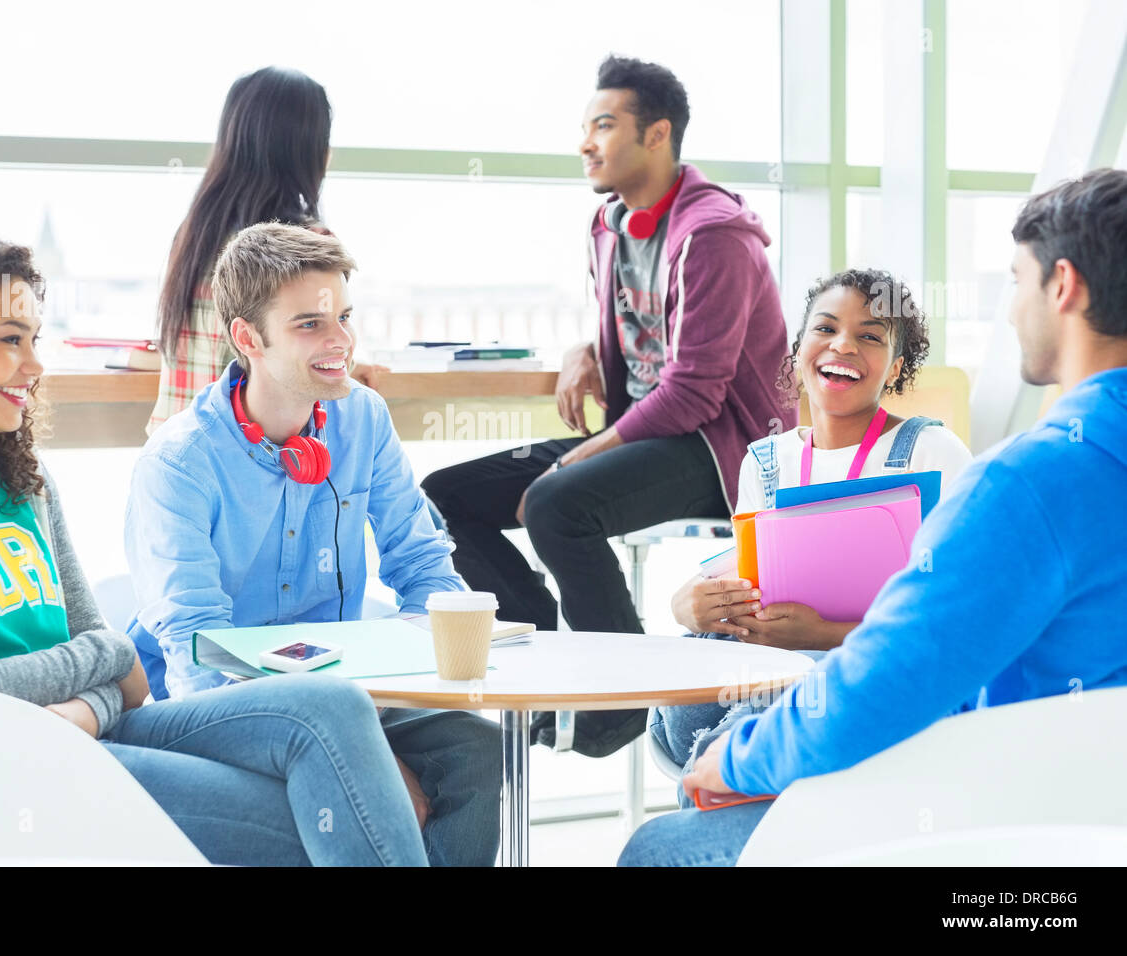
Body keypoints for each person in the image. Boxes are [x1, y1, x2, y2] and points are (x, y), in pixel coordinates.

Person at [0, 232, 431, 867]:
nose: (35, 366)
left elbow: (130, 679)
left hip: (86, 733)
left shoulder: (21, 476)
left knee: (333, 707)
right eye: (11, 340)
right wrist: (101, 659)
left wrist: (85, 705)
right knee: (330, 795)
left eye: (34, 340)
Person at [619, 168, 1127, 866]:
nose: (1011, 310)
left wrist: (734, 765)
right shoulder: (771, 461)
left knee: (659, 848)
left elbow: (890, 679)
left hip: (1005, 821)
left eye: (1016, 279)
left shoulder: (1025, 484)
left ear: (1062, 285)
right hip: (1097, 812)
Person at [421, 54, 793, 756]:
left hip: (722, 450)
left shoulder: (715, 236)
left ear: (657, 135)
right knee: (444, 496)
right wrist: (579, 353)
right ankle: (532, 636)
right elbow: (633, 328)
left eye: (603, 125)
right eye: (585, 127)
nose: (585, 143)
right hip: (646, 434)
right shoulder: (610, 224)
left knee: (560, 503)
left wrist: (583, 456)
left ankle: (622, 695)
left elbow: (694, 389)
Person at [125, 222, 502, 866]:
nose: (340, 343)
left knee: (473, 747)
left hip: (338, 692)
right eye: (309, 325)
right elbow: (196, 648)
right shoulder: (181, 461)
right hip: (212, 703)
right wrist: (364, 762)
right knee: (342, 741)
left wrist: (443, 645)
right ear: (247, 338)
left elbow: (420, 560)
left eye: (344, 317)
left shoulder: (362, 417)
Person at [649, 269, 974, 774]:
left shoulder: (932, 452)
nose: (842, 345)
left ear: (894, 369)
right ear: (799, 347)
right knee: (678, 714)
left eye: (870, 336)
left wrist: (823, 635)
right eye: (825, 329)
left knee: (734, 734)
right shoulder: (765, 460)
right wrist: (687, 605)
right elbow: (740, 571)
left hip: (862, 669)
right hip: (769, 656)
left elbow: (956, 616)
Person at [150, 66, 381, 434]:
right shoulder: (306, 245)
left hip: (171, 448)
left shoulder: (194, 234)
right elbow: (295, 362)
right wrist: (350, 364)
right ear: (307, 148)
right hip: (247, 462)